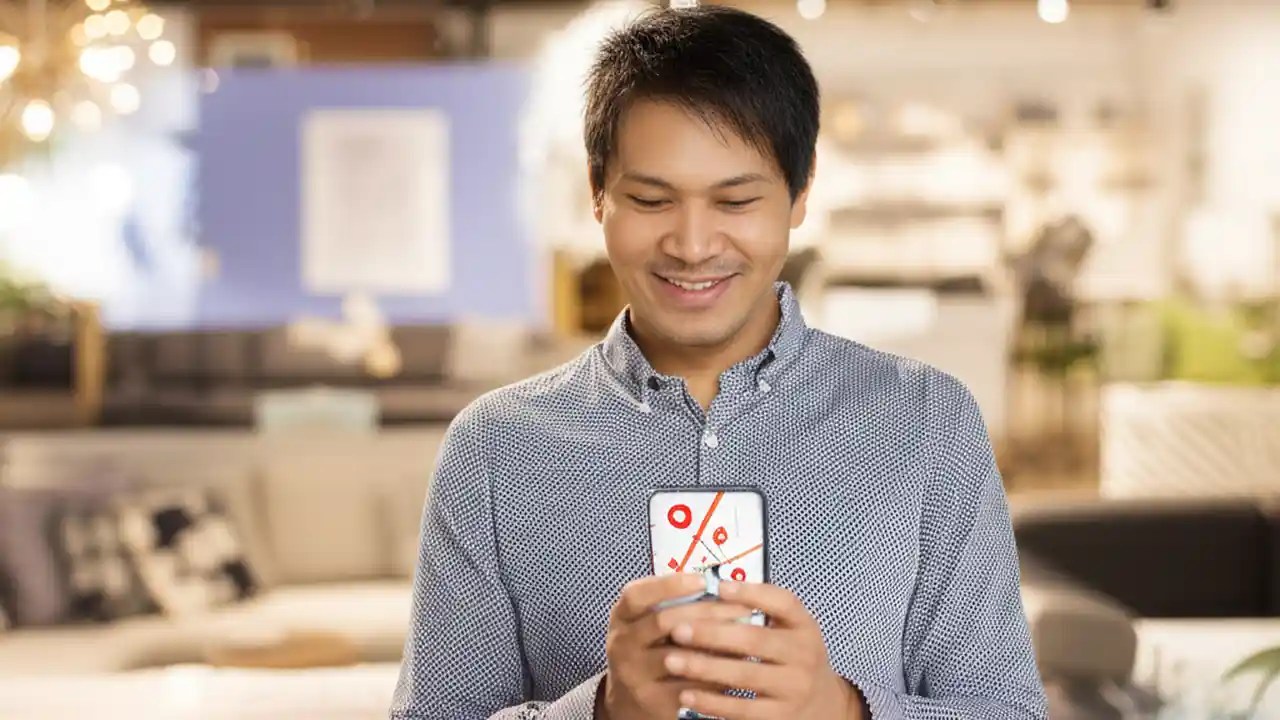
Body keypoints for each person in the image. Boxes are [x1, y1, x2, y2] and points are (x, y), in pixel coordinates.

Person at [389, 6, 1047, 720]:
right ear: (597, 191)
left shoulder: (926, 423)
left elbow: (1007, 710)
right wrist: (603, 713)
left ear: (800, 194)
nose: (694, 244)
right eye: (650, 199)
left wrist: (843, 712)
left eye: (735, 200)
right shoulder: (495, 448)